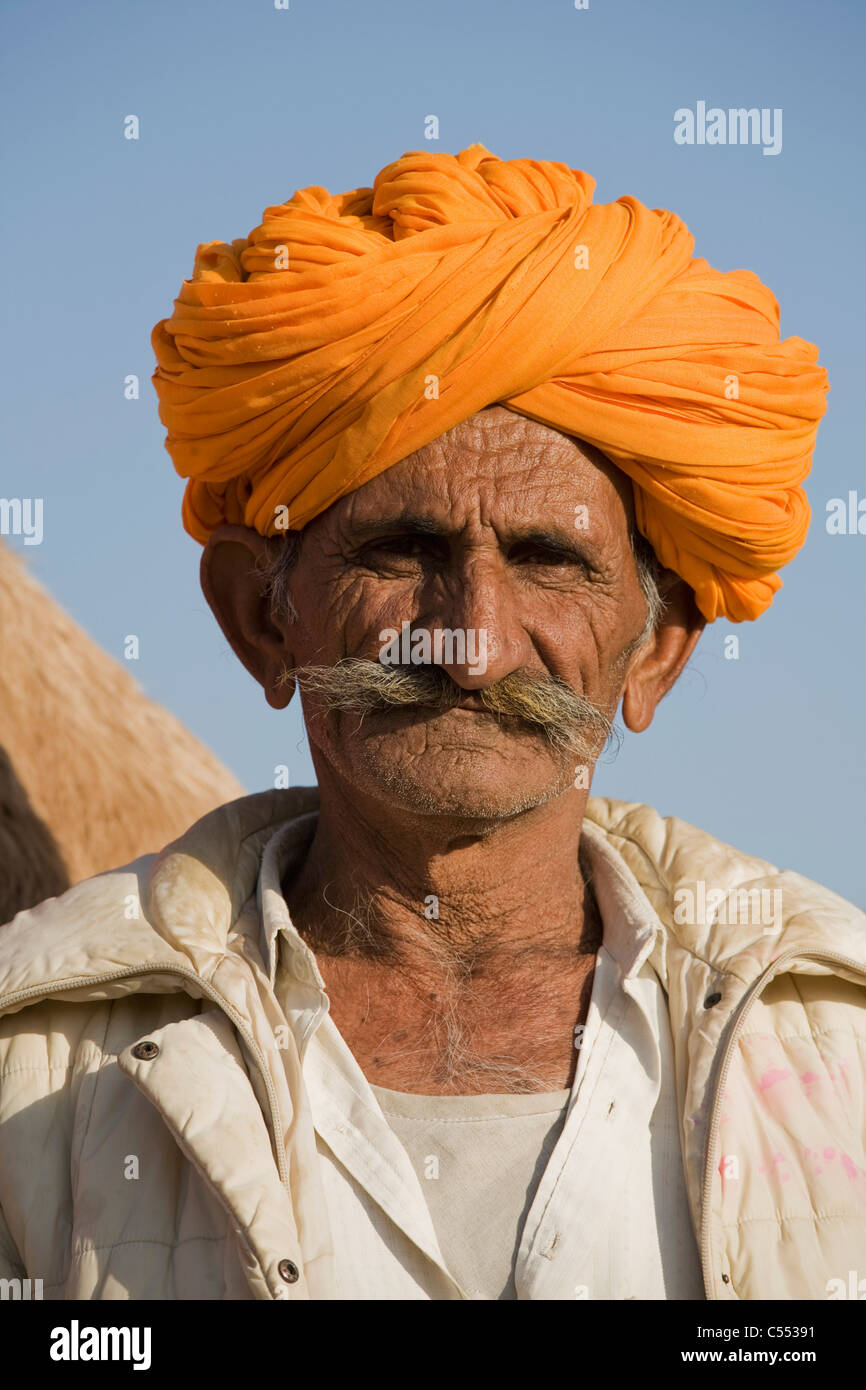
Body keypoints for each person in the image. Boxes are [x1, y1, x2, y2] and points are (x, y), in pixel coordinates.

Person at [0, 145, 863, 1302]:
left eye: (549, 562)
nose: (474, 640)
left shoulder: (832, 1055)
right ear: (262, 616)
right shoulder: (34, 1073)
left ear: (653, 652)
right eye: (400, 553)